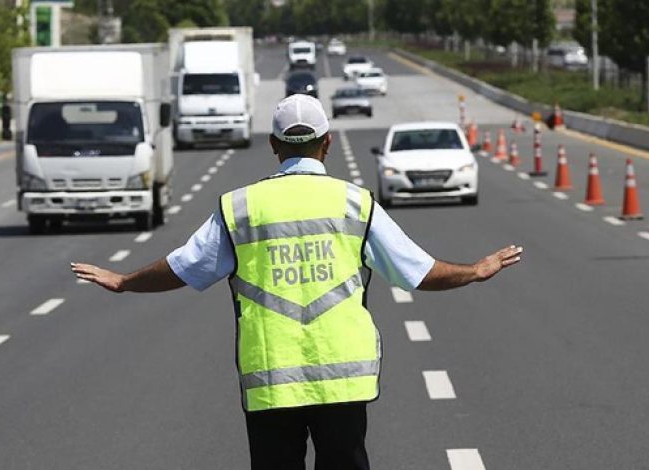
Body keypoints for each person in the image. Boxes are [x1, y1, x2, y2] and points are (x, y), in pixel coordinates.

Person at [71, 94, 522, 470]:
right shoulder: (354, 203)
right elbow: (417, 271)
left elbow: (184, 267)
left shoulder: (241, 207)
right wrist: (474, 271)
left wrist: (125, 280)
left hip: (271, 380)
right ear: (327, 143)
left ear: (273, 145)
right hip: (343, 380)